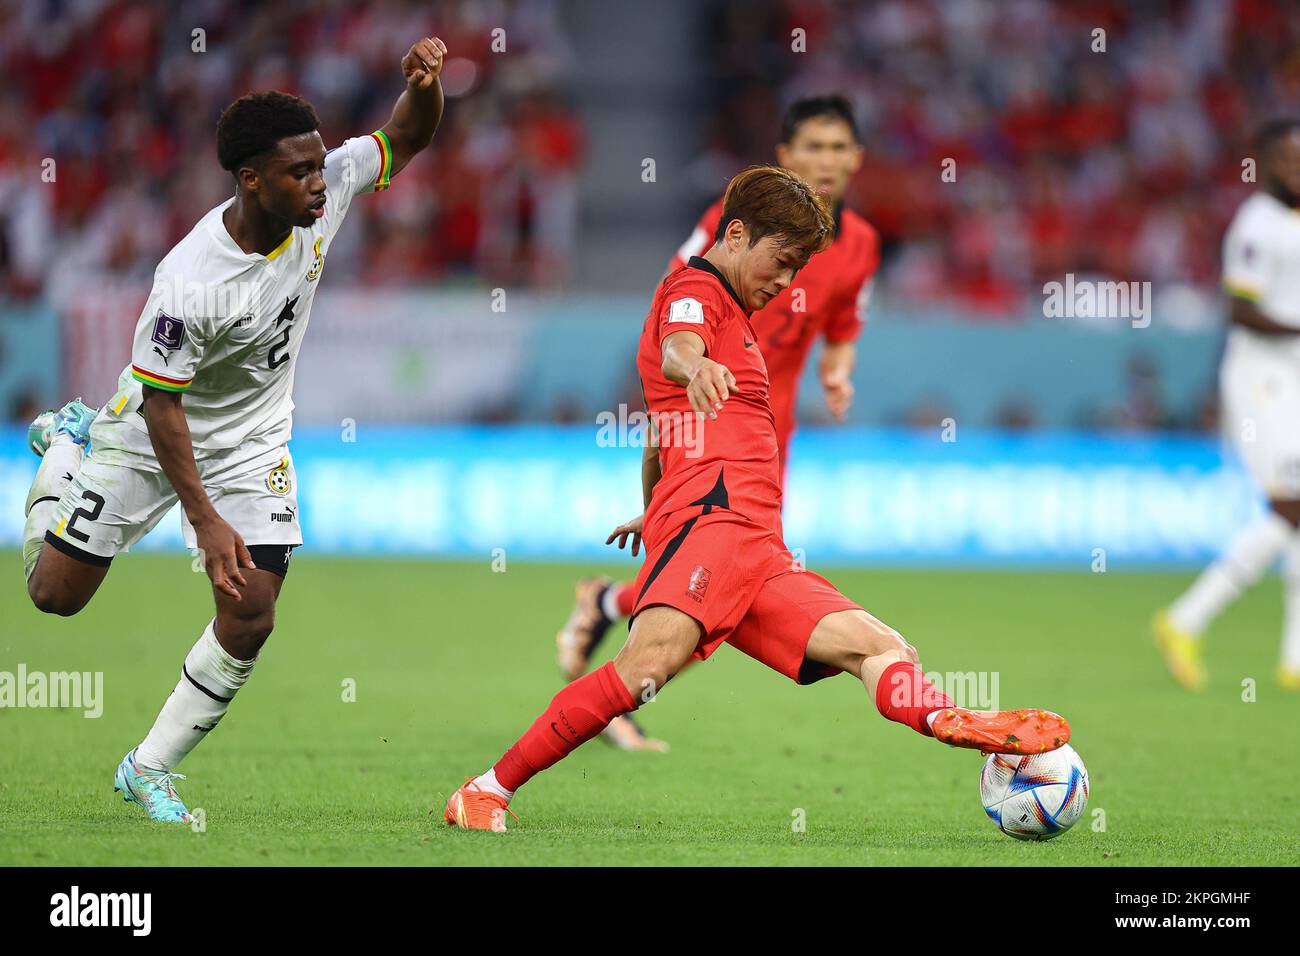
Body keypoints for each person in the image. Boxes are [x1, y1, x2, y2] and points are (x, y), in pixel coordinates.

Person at [446, 165, 1070, 831]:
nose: (786, 281)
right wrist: (697, 368)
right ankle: (486, 790)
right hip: (714, 523)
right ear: (737, 233)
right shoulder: (695, 291)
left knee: (880, 647)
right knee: (647, 666)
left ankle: (944, 718)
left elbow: (662, 437)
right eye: (782, 261)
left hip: (754, 546)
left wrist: (653, 506)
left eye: (798, 268)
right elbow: (677, 346)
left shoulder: (736, 316)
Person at [20, 37, 449, 823]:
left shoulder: (327, 191)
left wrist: (424, 88)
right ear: (251, 180)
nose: (320, 182)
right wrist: (205, 520)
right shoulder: (190, 281)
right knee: (54, 597)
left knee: (252, 609)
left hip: (253, 442)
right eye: (299, 172)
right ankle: (68, 452)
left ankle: (148, 767)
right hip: (150, 436)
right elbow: (161, 407)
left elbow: (409, 136)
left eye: (320, 165)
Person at [556, 96, 879, 751]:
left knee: (725, 575)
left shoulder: (860, 246)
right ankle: (616, 693)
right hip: (704, 408)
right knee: (717, 575)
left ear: (856, 160)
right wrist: (682, 366)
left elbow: (844, 324)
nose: (826, 160)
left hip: (769, 429)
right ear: (786, 156)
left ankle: (608, 611)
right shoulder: (734, 224)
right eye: (812, 147)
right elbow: (681, 296)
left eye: (838, 148)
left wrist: (837, 372)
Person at [1155, 118, 1300, 692]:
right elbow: (1239, 310)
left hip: (1293, 378)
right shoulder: (1257, 225)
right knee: (1290, 507)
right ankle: (1184, 619)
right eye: (1286, 158)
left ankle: (1294, 659)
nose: (1296, 167)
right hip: (1260, 382)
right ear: (1263, 163)